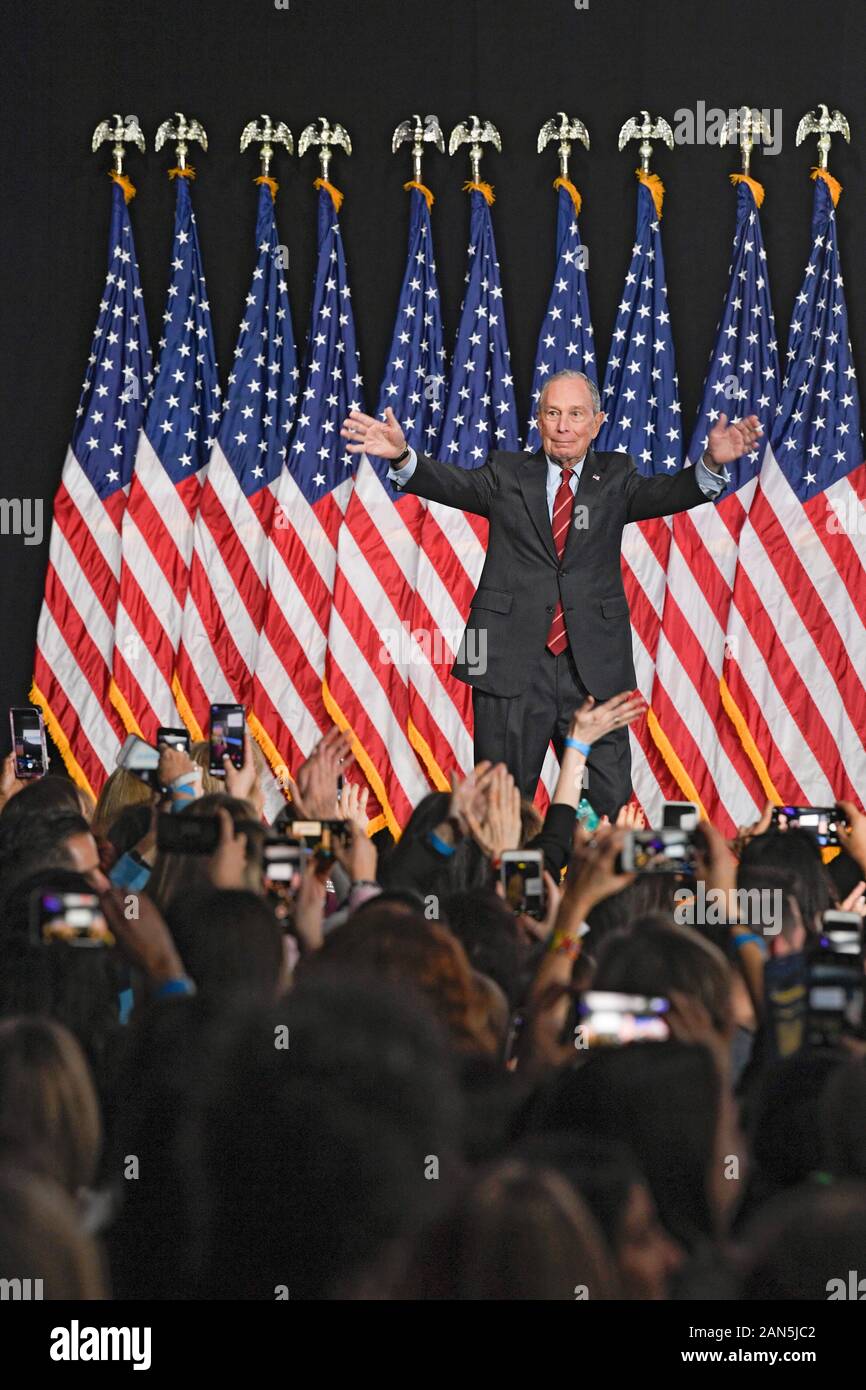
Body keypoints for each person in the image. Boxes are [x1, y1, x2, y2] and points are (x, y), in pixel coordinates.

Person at [342, 371, 760, 816]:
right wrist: (403, 456)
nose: (563, 426)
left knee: (605, 807)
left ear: (596, 423)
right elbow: (451, 483)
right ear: (538, 421)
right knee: (500, 808)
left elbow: (670, 493)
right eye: (553, 414)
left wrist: (712, 464)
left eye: (575, 414)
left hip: (593, 668)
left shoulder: (616, 476)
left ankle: (593, 885)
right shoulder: (505, 473)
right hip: (509, 663)